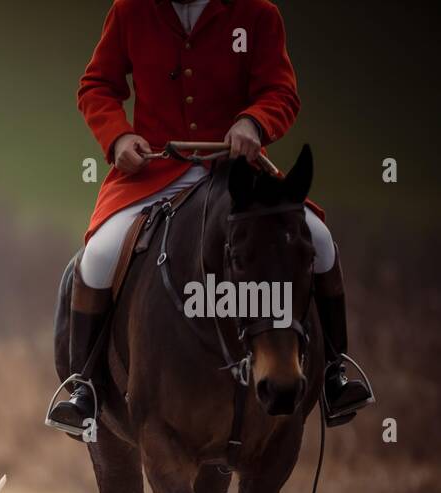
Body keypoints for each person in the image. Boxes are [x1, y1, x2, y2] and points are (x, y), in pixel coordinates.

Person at [46, 0, 371, 434]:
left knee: (322, 241)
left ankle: (335, 372)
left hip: (239, 178)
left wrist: (253, 123)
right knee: (98, 256)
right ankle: (83, 386)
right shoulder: (131, 11)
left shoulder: (258, 14)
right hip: (154, 174)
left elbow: (281, 91)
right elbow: (96, 86)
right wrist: (118, 135)